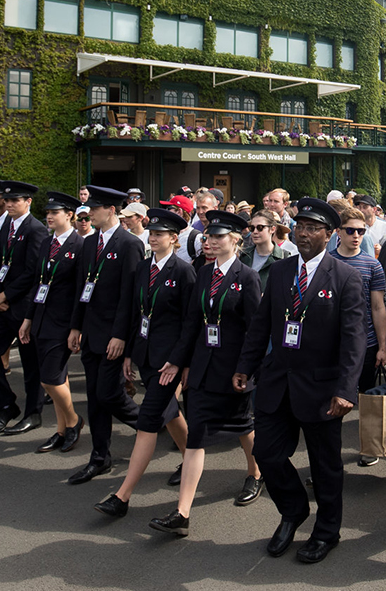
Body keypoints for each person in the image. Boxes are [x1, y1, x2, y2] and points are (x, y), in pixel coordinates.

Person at [234, 197, 365, 565]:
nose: (304, 233)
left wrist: (346, 390)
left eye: (313, 228)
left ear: (330, 234)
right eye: (300, 227)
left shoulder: (345, 277)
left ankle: (327, 531)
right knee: (266, 454)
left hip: (322, 388)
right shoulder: (280, 272)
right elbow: (261, 325)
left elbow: (354, 339)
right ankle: (293, 510)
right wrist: (245, 365)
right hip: (277, 382)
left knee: (325, 467)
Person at [140, 211, 266, 535]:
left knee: (243, 426)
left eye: (219, 236)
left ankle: (255, 472)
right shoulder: (204, 272)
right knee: (196, 434)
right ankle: (182, 512)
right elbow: (192, 323)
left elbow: (254, 330)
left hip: (233, 370)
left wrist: (246, 369)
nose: (211, 241)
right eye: (209, 236)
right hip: (201, 367)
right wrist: (178, 361)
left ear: (235, 240)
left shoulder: (247, 277)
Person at [94, 207, 196, 519]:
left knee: (148, 420)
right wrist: (128, 353)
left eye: (160, 234)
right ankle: (191, 456)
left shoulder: (183, 272)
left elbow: (190, 323)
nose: (153, 238)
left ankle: (122, 496)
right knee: (170, 413)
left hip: (169, 361)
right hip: (145, 354)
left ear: (174, 238)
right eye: (151, 233)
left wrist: (179, 362)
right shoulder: (142, 268)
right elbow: (133, 309)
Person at [67, 186, 145, 484]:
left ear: (111, 210)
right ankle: (100, 456)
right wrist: (76, 326)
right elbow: (81, 288)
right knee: (94, 397)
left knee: (108, 394)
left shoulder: (129, 244)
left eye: (95, 209)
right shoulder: (89, 243)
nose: (89, 213)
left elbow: (129, 296)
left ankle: (150, 423)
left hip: (113, 334)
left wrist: (120, 336)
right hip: (91, 331)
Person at [0, 180, 49, 438]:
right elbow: (0, 265)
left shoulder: (36, 229)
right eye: (8, 200)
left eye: (15, 200)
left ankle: (33, 414)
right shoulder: (3, 226)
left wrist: (8, 295)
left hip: (22, 306)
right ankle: (6, 405)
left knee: (30, 364)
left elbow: (33, 271)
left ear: (28, 202)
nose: (10, 204)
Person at [17, 190, 85, 452]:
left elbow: (80, 291)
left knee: (49, 379)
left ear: (69, 215)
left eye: (54, 212)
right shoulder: (47, 243)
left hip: (63, 321)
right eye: (47, 212)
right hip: (42, 318)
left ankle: (74, 421)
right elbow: (39, 283)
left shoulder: (80, 245)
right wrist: (28, 318)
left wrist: (76, 326)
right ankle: (61, 429)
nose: (49, 217)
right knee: (59, 378)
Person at [331, 205, 386, 466]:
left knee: (367, 399)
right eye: (350, 230)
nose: (356, 235)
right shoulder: (327, 261)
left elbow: (378, 307)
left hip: (365, 343)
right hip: (332, 344)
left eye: (361, 231)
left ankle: (369, 447)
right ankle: (329, 457)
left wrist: (382, 346)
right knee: (332, 401)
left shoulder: (372, 264)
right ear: (338, 232)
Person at [245, 209, 289, 284]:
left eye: (260, 228)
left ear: (272, 229)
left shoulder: (284, 257)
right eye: (252, 228)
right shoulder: (244, 255)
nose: (255, 232)